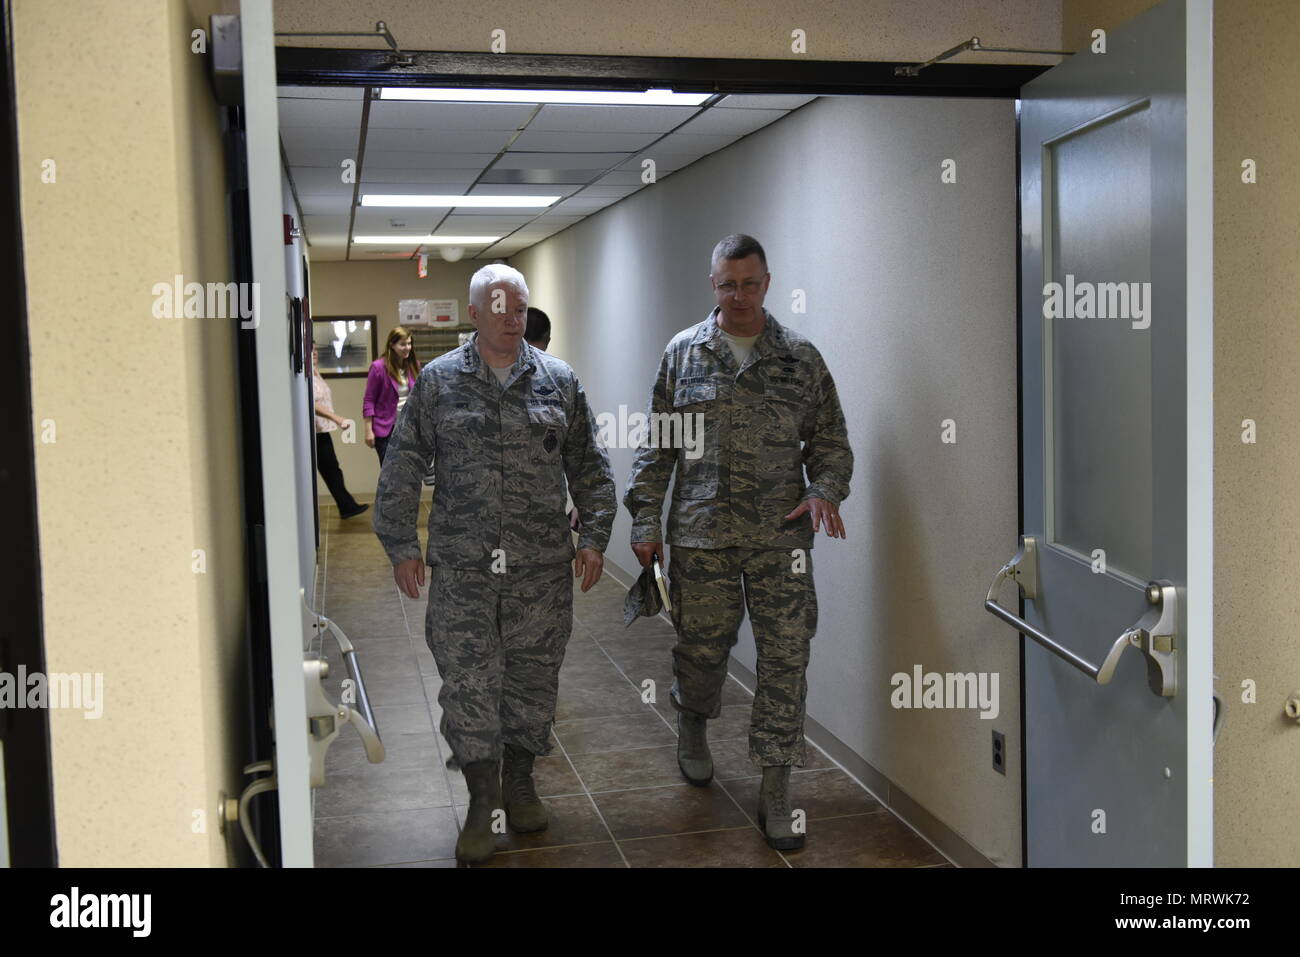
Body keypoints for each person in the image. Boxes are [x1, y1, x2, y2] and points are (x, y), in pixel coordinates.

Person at [373, 264, 616, 865]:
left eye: (520, 306)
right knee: (470, 684)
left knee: (533, 680)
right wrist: (402, 544)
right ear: (474, 314)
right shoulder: (437, 382)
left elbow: (591, 467)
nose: (512, 317)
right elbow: (402, 463)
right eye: (499, 306)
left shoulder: (559, 381)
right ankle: (483, 802)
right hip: (464, 569)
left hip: (540, 570)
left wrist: (595, 537)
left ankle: (522, 781)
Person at [623, 233, 853, 851]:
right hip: (701, 538)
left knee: (787, 657)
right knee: (703, 650)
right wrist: (645, 525)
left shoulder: (800, 358)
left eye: (750, 283)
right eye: (728, 284)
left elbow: (831, 441)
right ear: (713, 285)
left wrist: (826, 488)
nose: (740, 295)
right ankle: (693, 722)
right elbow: (657, 448)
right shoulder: (683, 354)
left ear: (768, 283)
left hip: (781, 541)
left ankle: (777, 785)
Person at [526, 306, 579, 532]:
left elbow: (582, 452)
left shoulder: (561, 378)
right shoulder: (559, 379)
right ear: (547, 339)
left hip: (545, 532)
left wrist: (580, 501)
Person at [311, 345, 369, 520]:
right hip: (314, 432)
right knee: (331, 469)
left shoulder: (314, 372)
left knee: (332, 470)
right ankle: (346, 506)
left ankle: (347, 505)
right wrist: (336, 418)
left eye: (316, 350)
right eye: (310, 350)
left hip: (321, 430)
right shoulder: (306, 376)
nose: (315, 354)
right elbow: (311, 403)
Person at [363, 326, 420, 464]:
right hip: (386, 429)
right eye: (402, 344)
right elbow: (369, 400)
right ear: (392, 345)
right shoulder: (378, 367)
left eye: (409, 343)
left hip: (408, 427)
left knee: (409, 471)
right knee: (390, 474)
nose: (407, 348)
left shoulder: (414, 366)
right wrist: (368, 431)